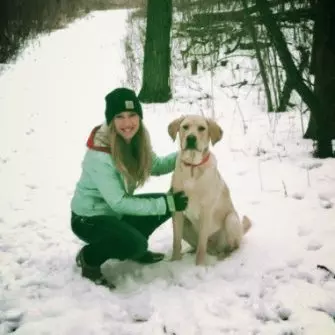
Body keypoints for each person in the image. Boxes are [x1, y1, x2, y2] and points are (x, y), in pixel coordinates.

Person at [70, 87, 188, 288]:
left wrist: (185, 153)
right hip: (88, 219)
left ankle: (134, 245)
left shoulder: (136, 138)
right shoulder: (100, 155)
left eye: (133, 115)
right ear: (111, 120)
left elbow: (156, 165)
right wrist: (164, 204)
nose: (128, 123)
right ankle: (89, 258)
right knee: (140, 237)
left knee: (170, 202)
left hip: (114, 214)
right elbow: (118, 203)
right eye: (120, 116)